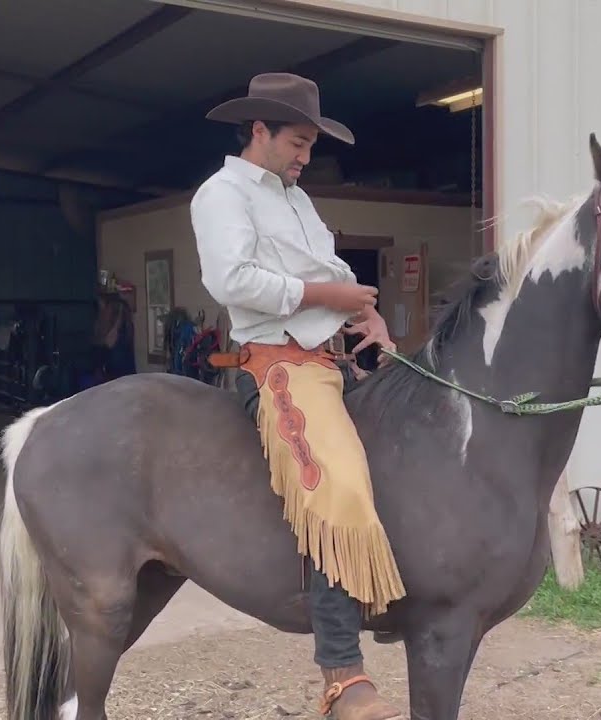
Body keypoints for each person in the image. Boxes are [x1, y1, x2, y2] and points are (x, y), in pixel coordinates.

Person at [191, 72, 405, 720]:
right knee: (334, 484)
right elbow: (232, 277)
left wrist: (366, 311)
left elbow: (331, 268)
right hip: (280, 363)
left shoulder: (295, 198)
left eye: (311, 144)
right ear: (259, 131)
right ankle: (342, 673)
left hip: (333, 352)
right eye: (299, 142)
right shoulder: (222, 194)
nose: (306, 156)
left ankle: (402, 599)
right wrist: (326, 298)